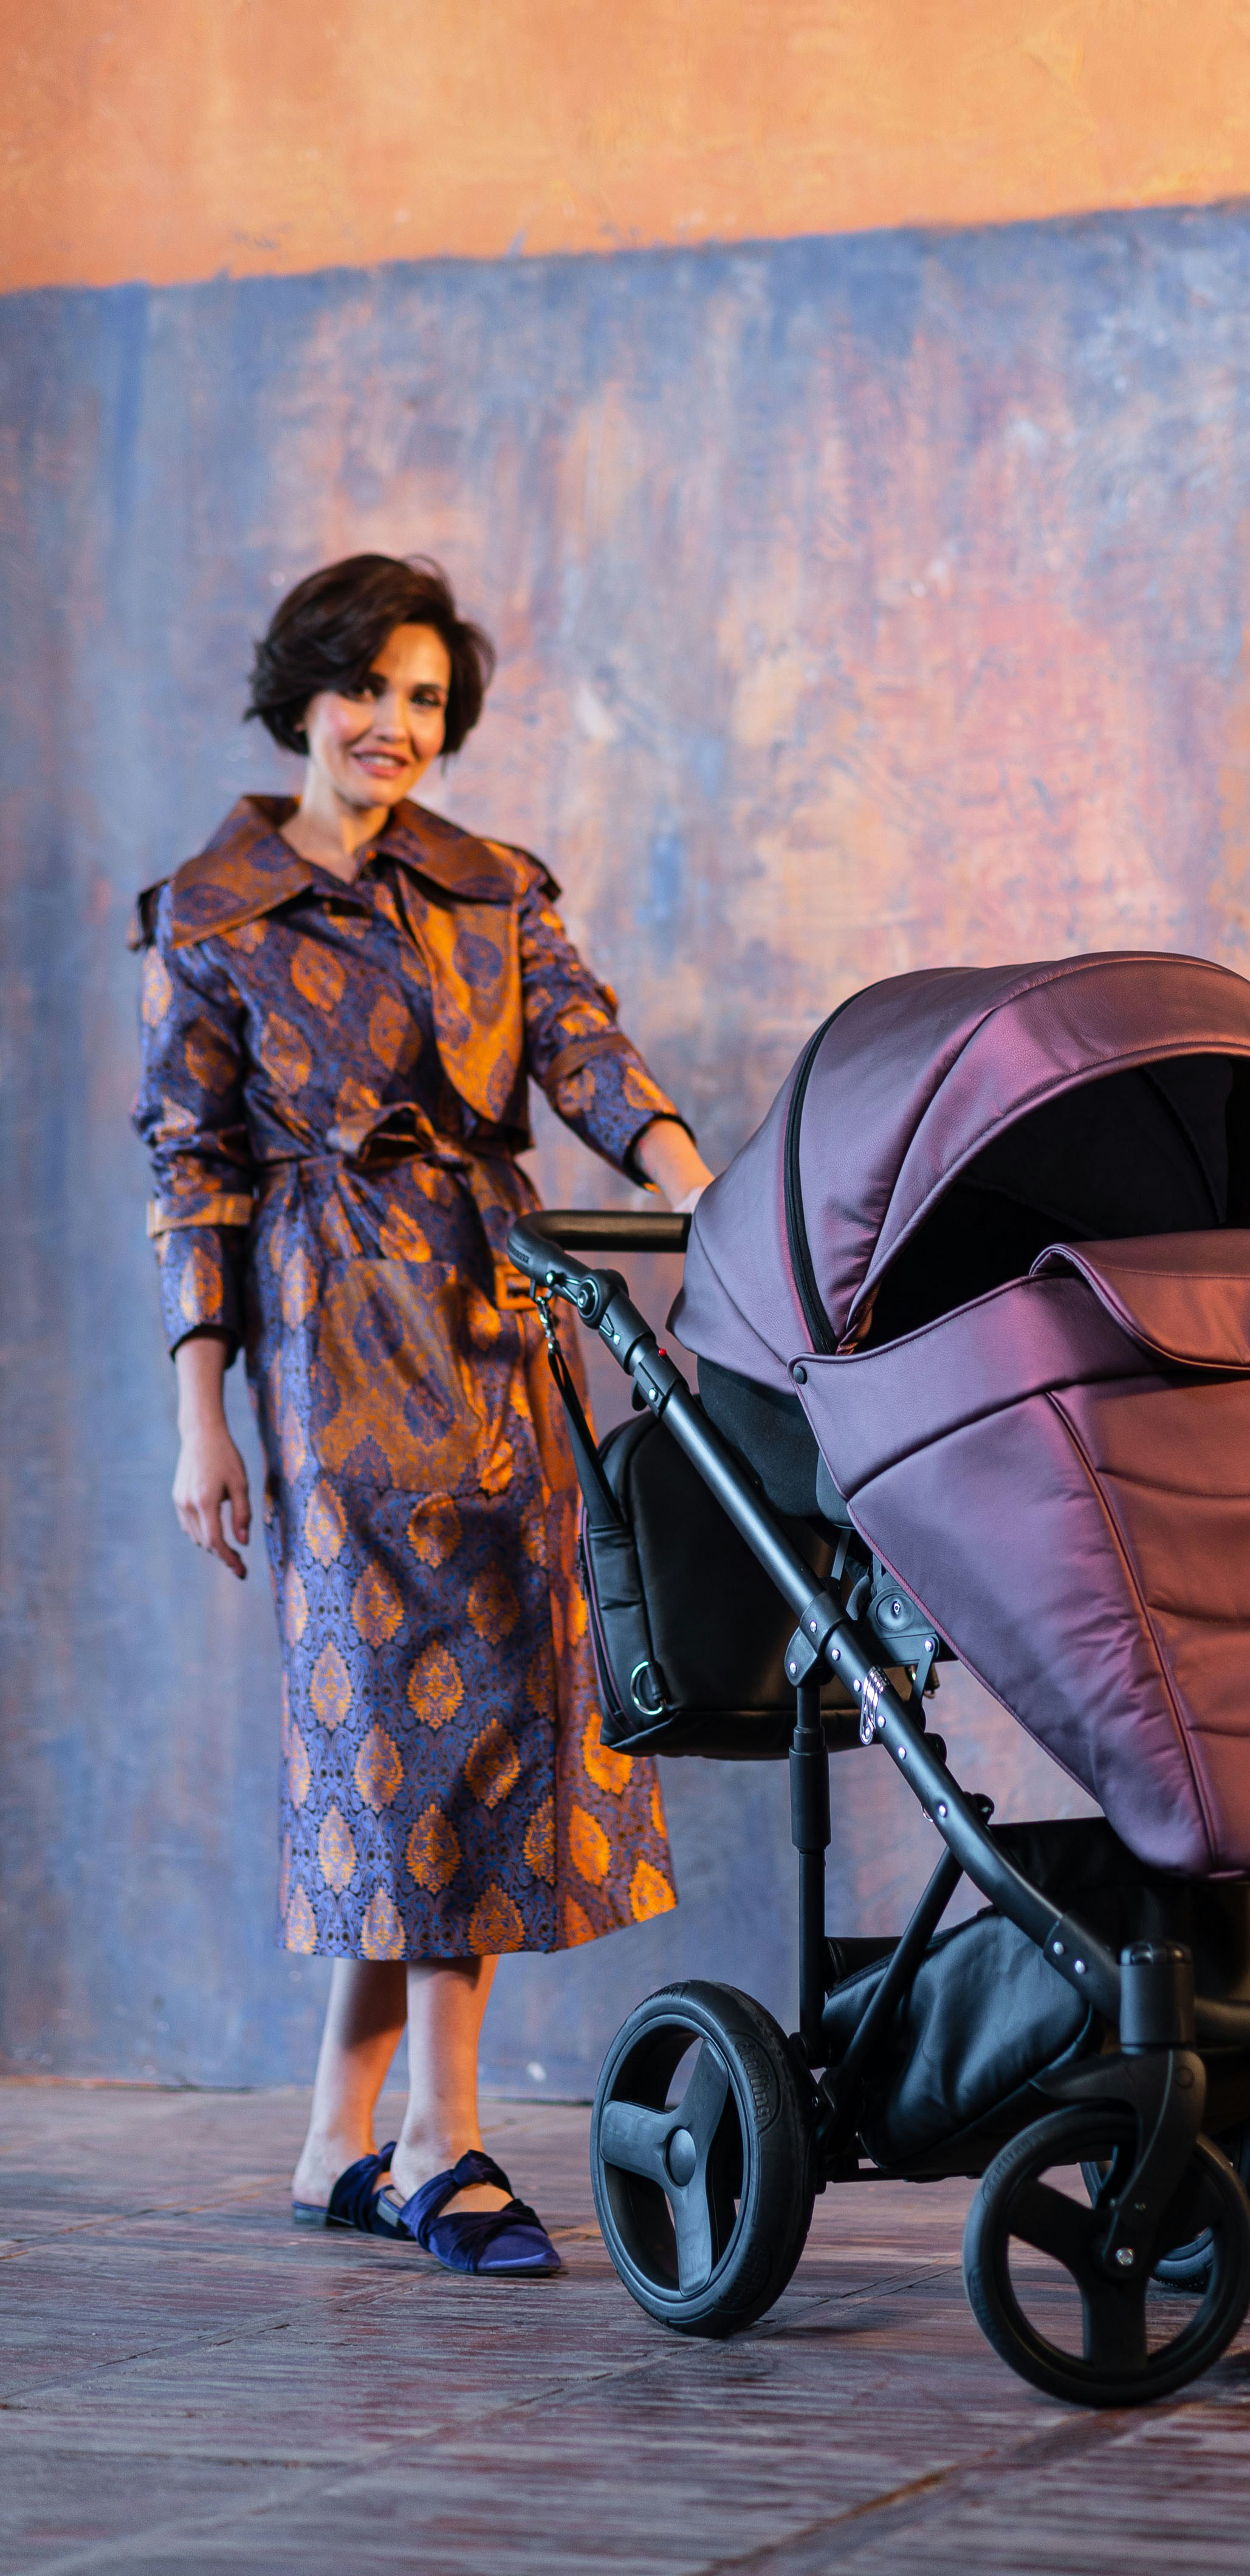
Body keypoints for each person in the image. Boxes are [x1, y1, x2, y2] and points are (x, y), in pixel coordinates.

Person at [133, 555, 711, 2275]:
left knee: (499, 1708)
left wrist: (699, 1186)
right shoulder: (208, 912)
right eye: (369, 690)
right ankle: (441, 2143)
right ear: (302, 693)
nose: (396, 728)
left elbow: (587, 1052)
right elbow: (190, 1167)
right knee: (396, 1720)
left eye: (427, 703)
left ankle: (340, 2141)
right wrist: (201, 1416)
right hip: (328, 1340)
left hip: (502, 1317)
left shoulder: (492, 888)